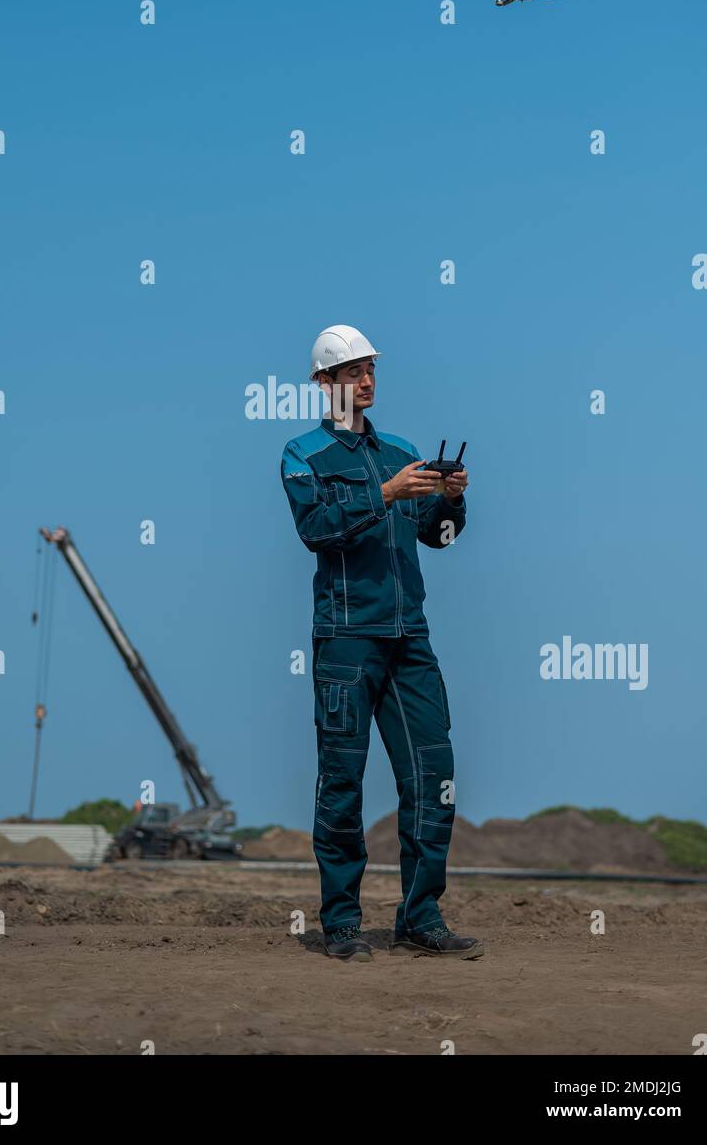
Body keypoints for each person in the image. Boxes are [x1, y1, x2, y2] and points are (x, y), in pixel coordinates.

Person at [280, 325, 483, 962]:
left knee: (433, 776)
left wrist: (453, 501)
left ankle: (420, 918)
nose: (365, 380)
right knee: (342, 781)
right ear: (323, 383)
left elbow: (438, 540)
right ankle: (342, 925)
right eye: (352, 371)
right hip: (345, 640)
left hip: (409, 641)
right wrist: (385, 493)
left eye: (370, 369)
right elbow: (315, 529)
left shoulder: (402, 451)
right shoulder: (302, 454)